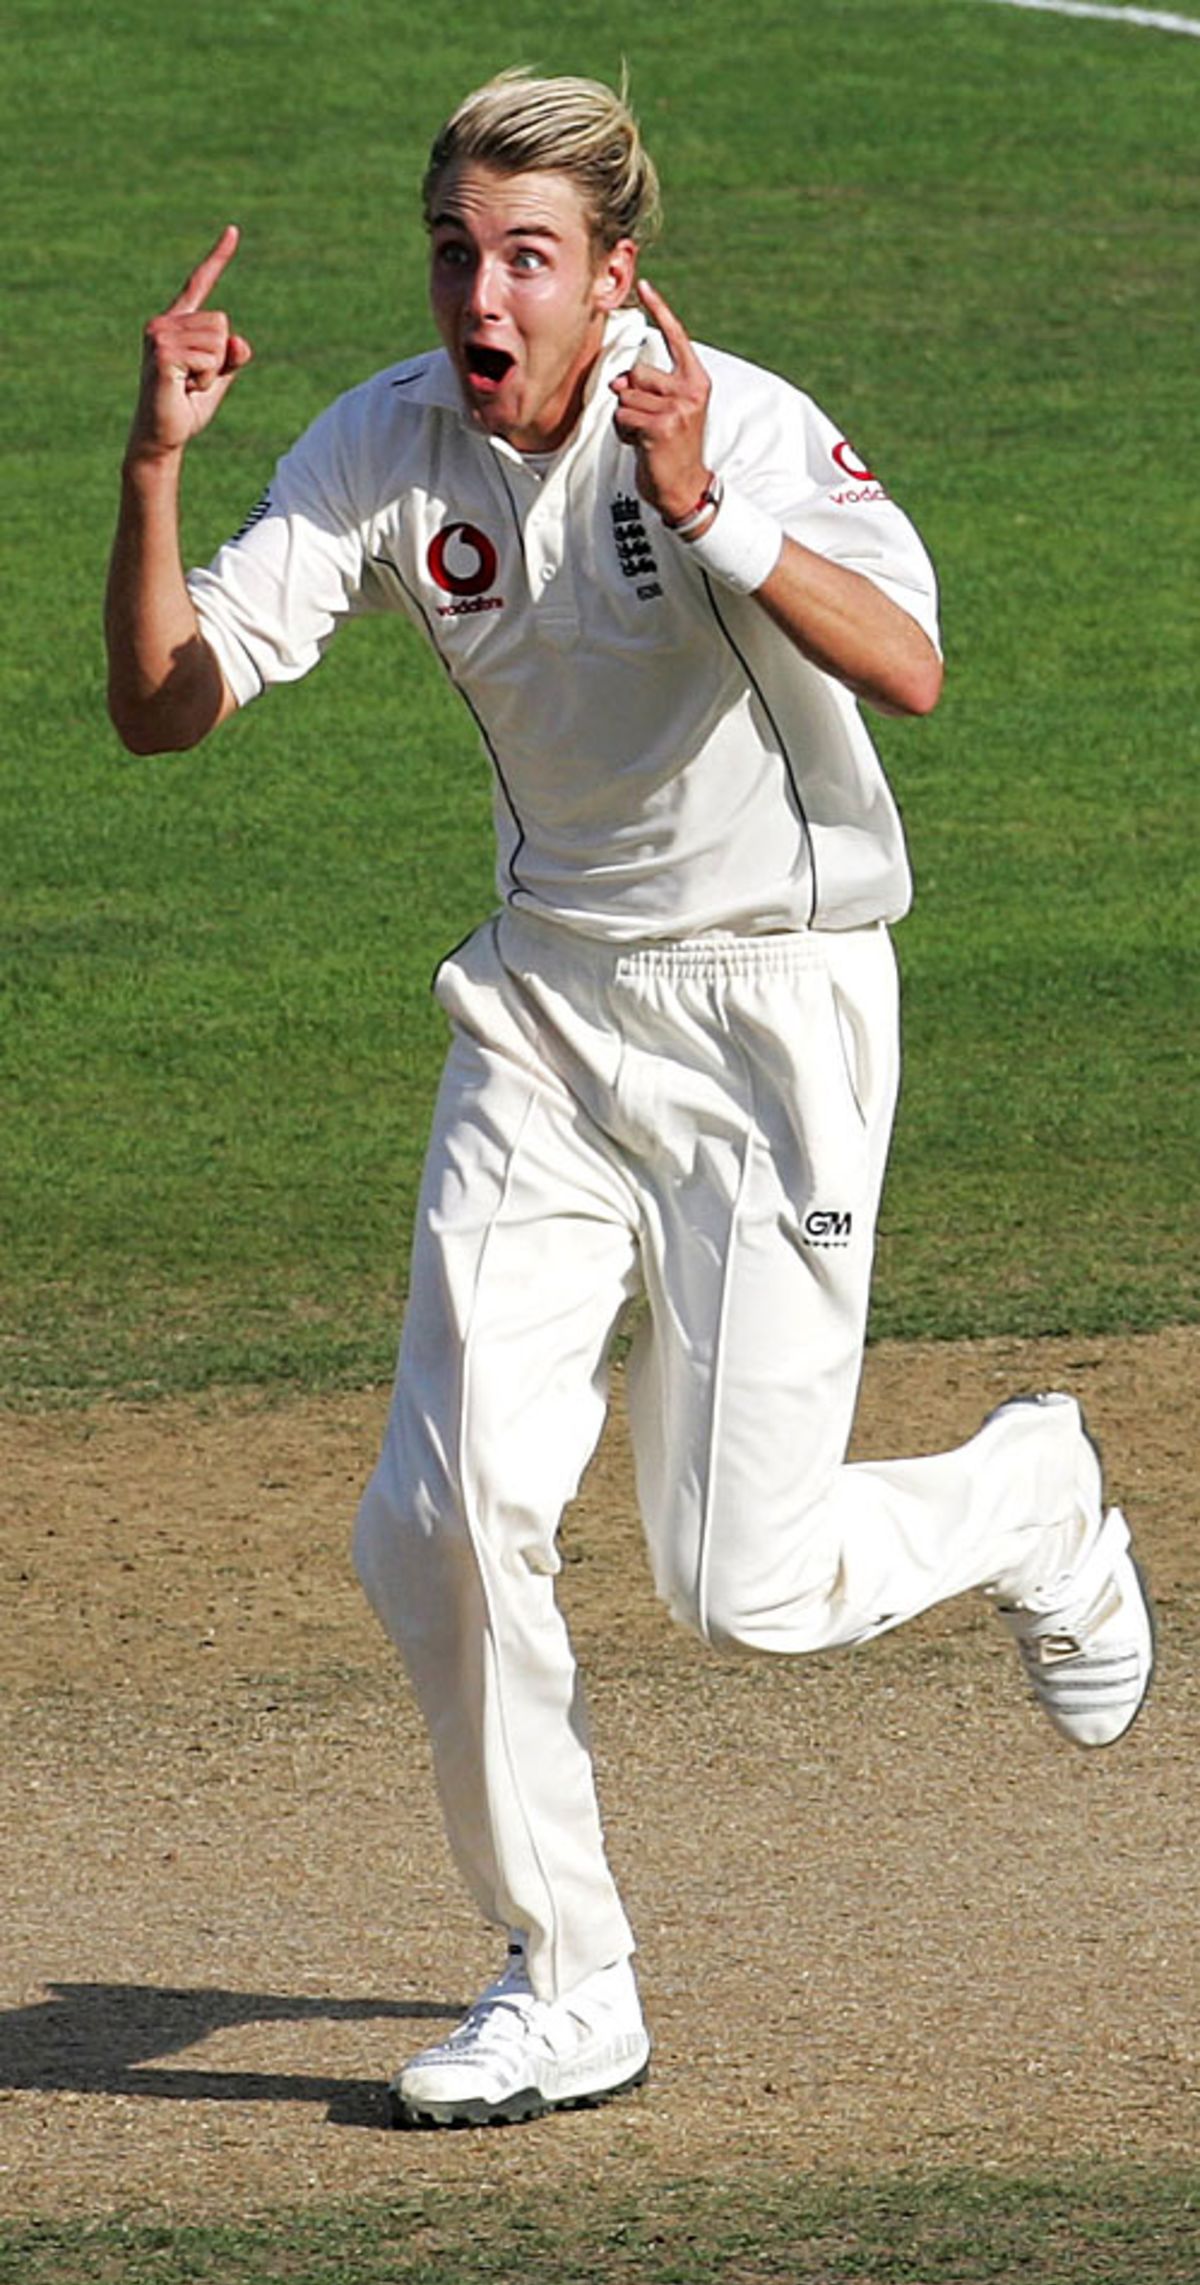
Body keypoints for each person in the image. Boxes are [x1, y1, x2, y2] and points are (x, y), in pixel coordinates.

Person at [106, 69, 1155, 2131]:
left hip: (776, 1020)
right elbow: (167, 708)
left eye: (527, 257)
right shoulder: (387, 445)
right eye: (454, 252)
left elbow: (915, 661)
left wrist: (705, 506)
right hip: (547, 1016)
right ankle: (569, 1976)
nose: (480, 295)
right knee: (436, 1519)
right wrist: (150, 469)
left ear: (613, 281)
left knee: (741, 1584)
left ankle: (1032, 1495)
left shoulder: (729, 419)